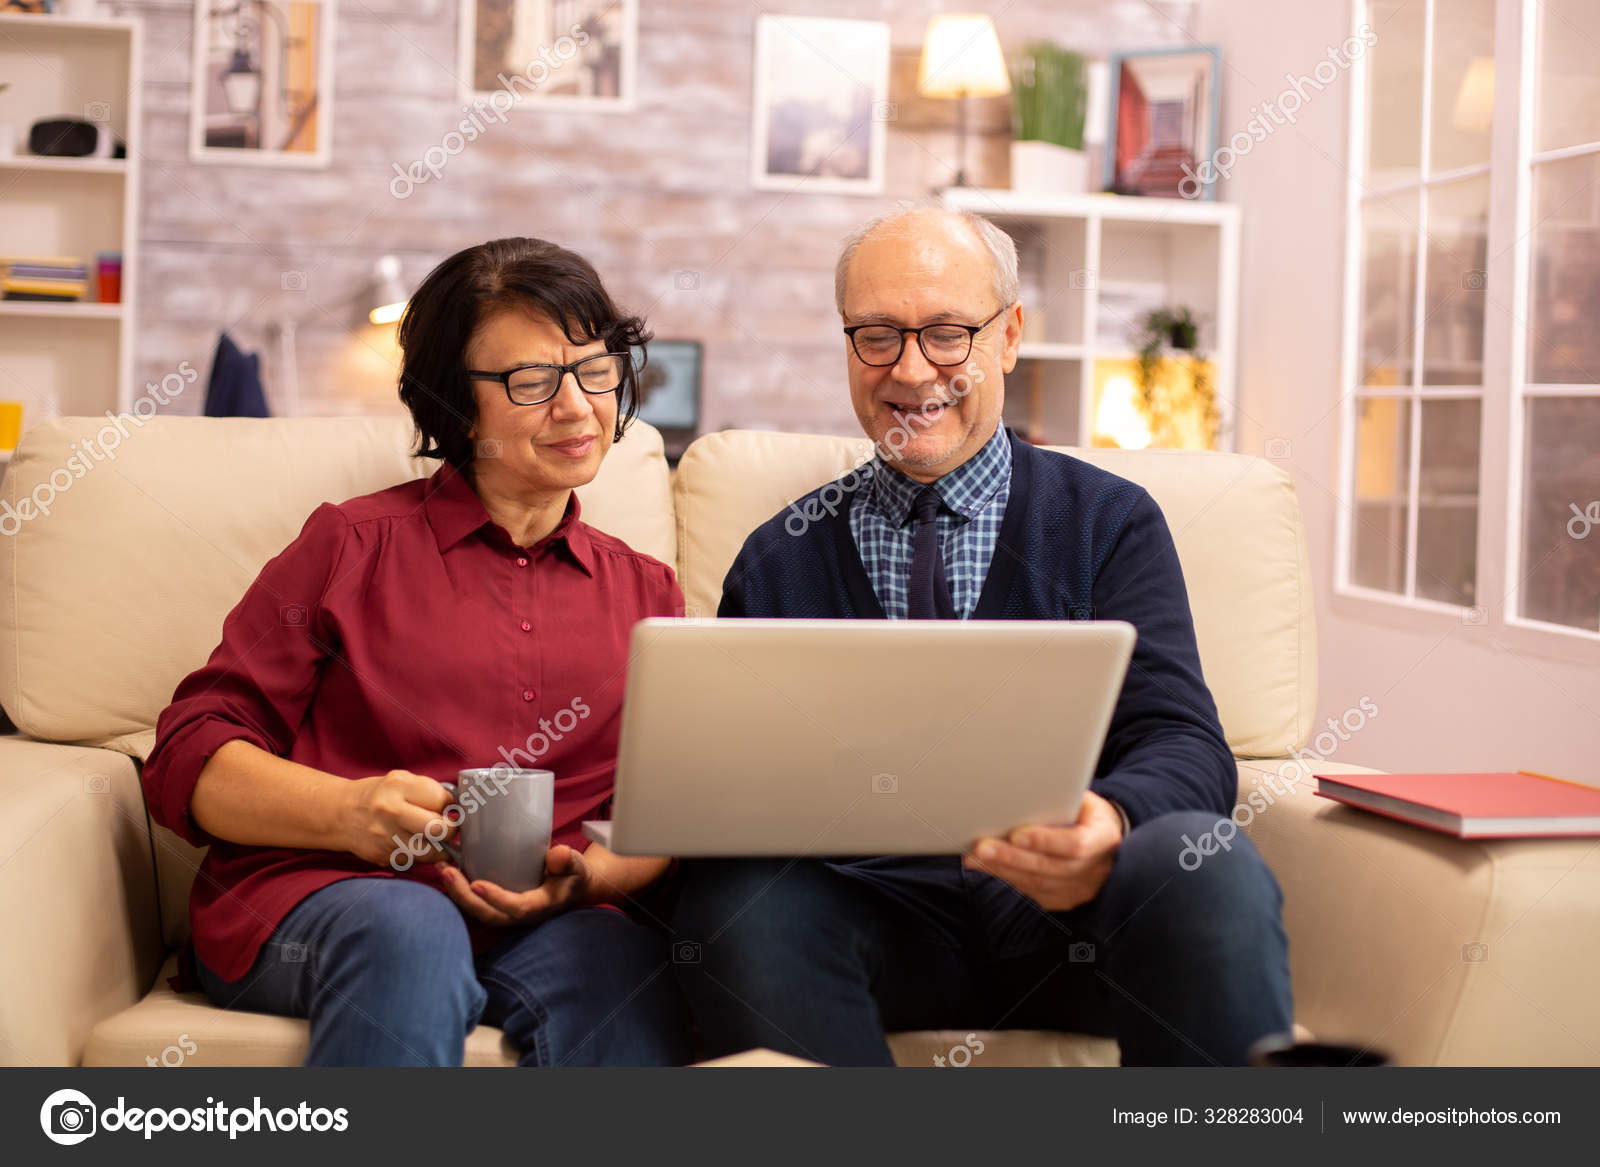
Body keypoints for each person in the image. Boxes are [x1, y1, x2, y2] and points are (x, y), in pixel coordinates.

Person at [669, 208, 1292, 1067]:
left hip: (1073, 920)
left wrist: (1109, 821)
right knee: (736, 902)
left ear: (1009, 338)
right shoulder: (779, 559)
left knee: (1204, 858)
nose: (911, 369)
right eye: (878, 335)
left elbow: (1184, 741)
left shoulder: (1107, 523)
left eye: (950, 334)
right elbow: (730, 789)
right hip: (868, 925)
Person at [142, 237, 691, 1067]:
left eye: (596, 368)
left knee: (621, 965)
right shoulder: (350, 544)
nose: (579, 406)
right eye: (533, 381)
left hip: (546, 923)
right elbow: (189, 754)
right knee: (413, 926)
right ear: (456, 404)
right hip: (330, 899)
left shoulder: (648, 591)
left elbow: (668, 809)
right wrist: (349, 813)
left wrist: (592, 878)